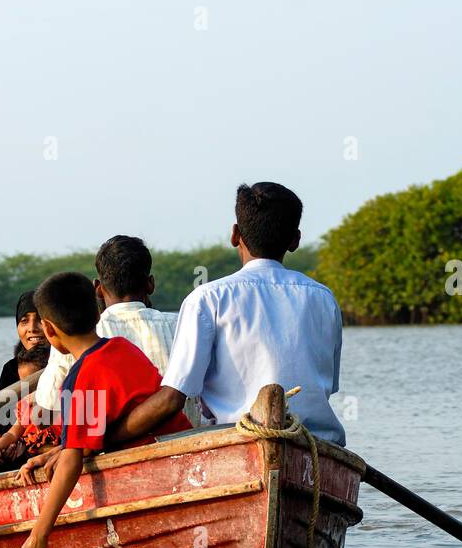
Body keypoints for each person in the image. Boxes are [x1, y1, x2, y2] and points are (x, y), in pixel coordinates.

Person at [112, 182, 346, 447]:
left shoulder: (207, 299)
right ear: (295, 240)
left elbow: (171, 399)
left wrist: (101, 439)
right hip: (317, 445)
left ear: (235, 235)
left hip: (236, 444)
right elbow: (328, 388)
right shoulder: (324, 298)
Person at [13, 272, 190, 548]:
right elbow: (83, 442)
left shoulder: (80, 378)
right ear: (98, 314)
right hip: (181, 455)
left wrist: (39, 535)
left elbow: (71, 461)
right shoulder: (122, 347)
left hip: (155, 466)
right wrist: (55, 452)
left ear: (50, 331)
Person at [33, 235, 205, 428]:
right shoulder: (184, 325)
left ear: (98, 289)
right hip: (186, 441)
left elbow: (45, 412)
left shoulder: (77, 333)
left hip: (113, 453)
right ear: (150, 284)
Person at [0, 290, 45, 443]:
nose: (32, 328)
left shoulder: (69, 363)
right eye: (24, 321)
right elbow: (2, 423)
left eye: (40, 319)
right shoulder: (11, 369)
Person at [0, 341, 56, 468]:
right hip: (30, 461)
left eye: (33, 385)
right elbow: (13, 433)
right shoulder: (25, 404)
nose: (28, 391)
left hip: (56, 458)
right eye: (24, 385)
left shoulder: (58, 403)